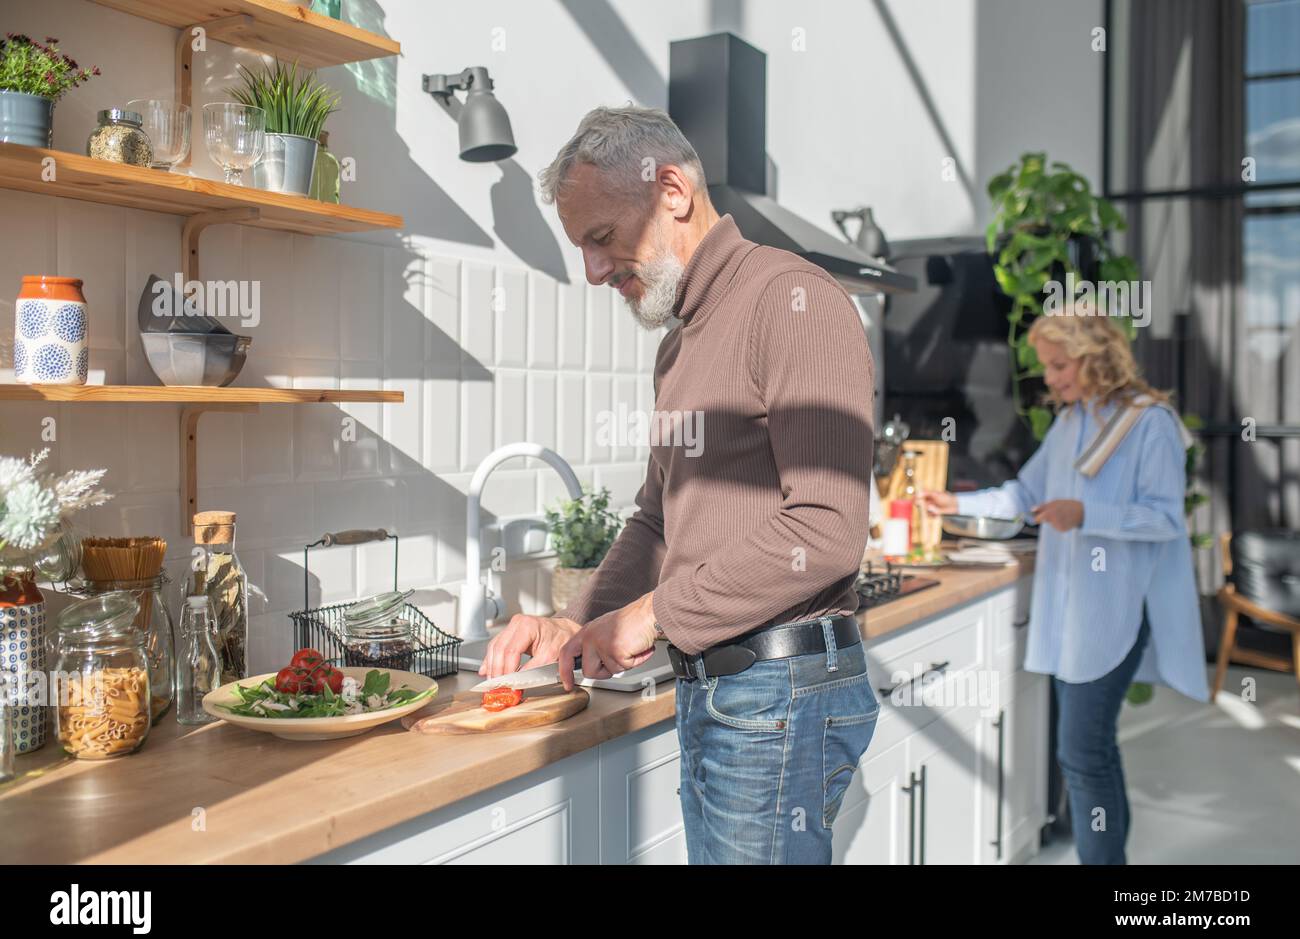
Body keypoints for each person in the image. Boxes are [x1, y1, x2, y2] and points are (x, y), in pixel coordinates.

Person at [478, 105, 879, 864]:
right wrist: (576, 621)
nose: (593, 271)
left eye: (601, 239)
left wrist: (655, 613)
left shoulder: (793, 300)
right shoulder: (681, 342)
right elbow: (657, 523)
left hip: (779, 693)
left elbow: (825, 528)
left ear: (672, 190)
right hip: (727, 694)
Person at [921, 311, 1210, 865]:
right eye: (1048, 367)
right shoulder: (1072, 422)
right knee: (1092, 750)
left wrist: (1086, 513)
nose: (1049, 379)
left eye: (1059, 365)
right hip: (1070, 615)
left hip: (1113, 615)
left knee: (1080, 753)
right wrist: (955, 503)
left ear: (1094, 355)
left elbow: (1165, 519)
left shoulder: (1150, 424)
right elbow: (1021, 495)